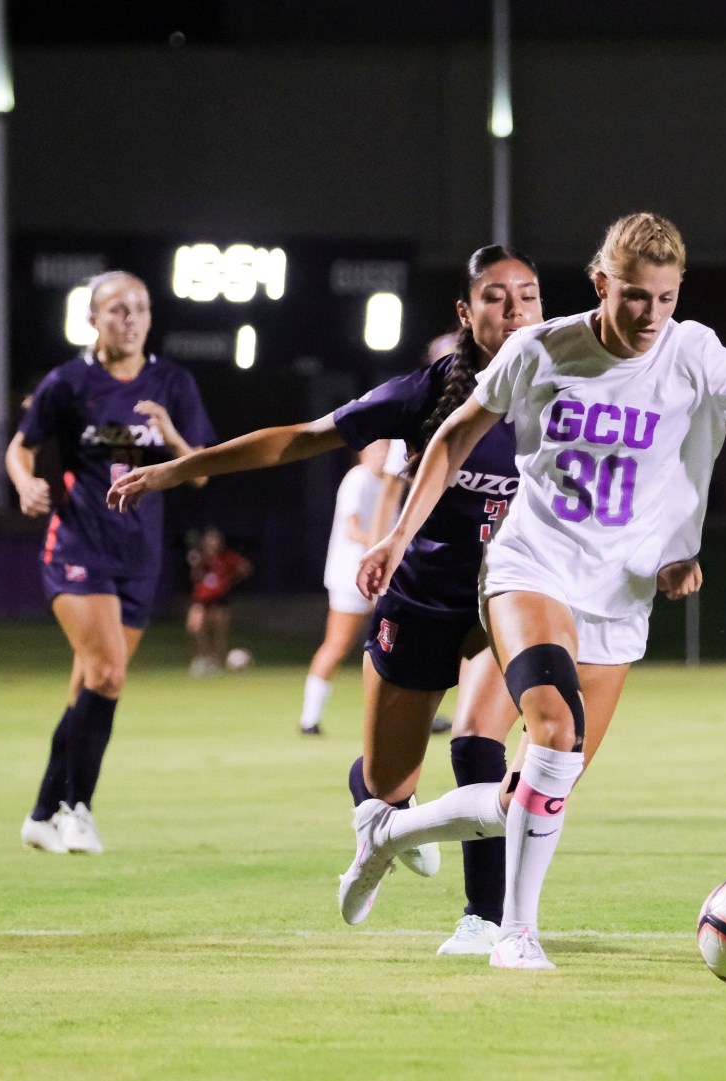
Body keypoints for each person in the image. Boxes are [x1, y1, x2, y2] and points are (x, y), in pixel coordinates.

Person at [342, 212, 726, 970]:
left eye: (666, 298)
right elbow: (455, 435)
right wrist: (396, 535)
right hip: (529, 565)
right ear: (602, 283)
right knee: (555, 729)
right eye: (636, 296)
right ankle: (516, 932)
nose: (651, 315)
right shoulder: (543, 348)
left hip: (619, 593)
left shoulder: (694, 354)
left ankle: (389, 832)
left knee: (535, 788)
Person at [109, 245, 547, 955]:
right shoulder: (426, 392)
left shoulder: (568, 384)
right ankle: (381, 816)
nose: (516, 308)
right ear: (467, 314)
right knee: (386, 778)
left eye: (528, 295)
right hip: (425, 599)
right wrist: (181, 468)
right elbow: (299, 440)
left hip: (509, 593)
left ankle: (484, 918)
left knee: (477, 745)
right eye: (496, 297)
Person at [5, 270, 216, 855]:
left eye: (141, 309)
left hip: (138, 558)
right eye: (117, 309)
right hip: (77, 546)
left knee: (91, 687)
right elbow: (20, 447)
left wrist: (172, 434)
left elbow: (200, 470)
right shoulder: (69, 382)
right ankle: (78, 809)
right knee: (108, 675)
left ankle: (43, 813)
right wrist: (25, 484)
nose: (130, 319)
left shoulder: (172, 382)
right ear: (93, 319)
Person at [298, 439, 405, 733]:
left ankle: (412, 714)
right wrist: (382, 548)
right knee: (338, 644)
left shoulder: (391, 484)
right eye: (376, 448)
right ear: (363, 453)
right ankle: (309, 718)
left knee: (401, 643)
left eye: (386, 448)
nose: (383, 454)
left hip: (383, 577)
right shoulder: (358, 480)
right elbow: (352, 528)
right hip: (351, 575)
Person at [186, 527, 253, 676]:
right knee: (196, 628)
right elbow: (195, 579)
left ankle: (217, 662)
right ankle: (202, 659)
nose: (212, 543)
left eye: (215, 540)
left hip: (220, 600)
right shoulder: (200, 558)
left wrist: (230, 578)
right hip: (201, 600)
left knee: (218, 631)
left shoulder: (227, 558)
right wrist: (196, 565)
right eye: (209, 540)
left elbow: (245, 567)